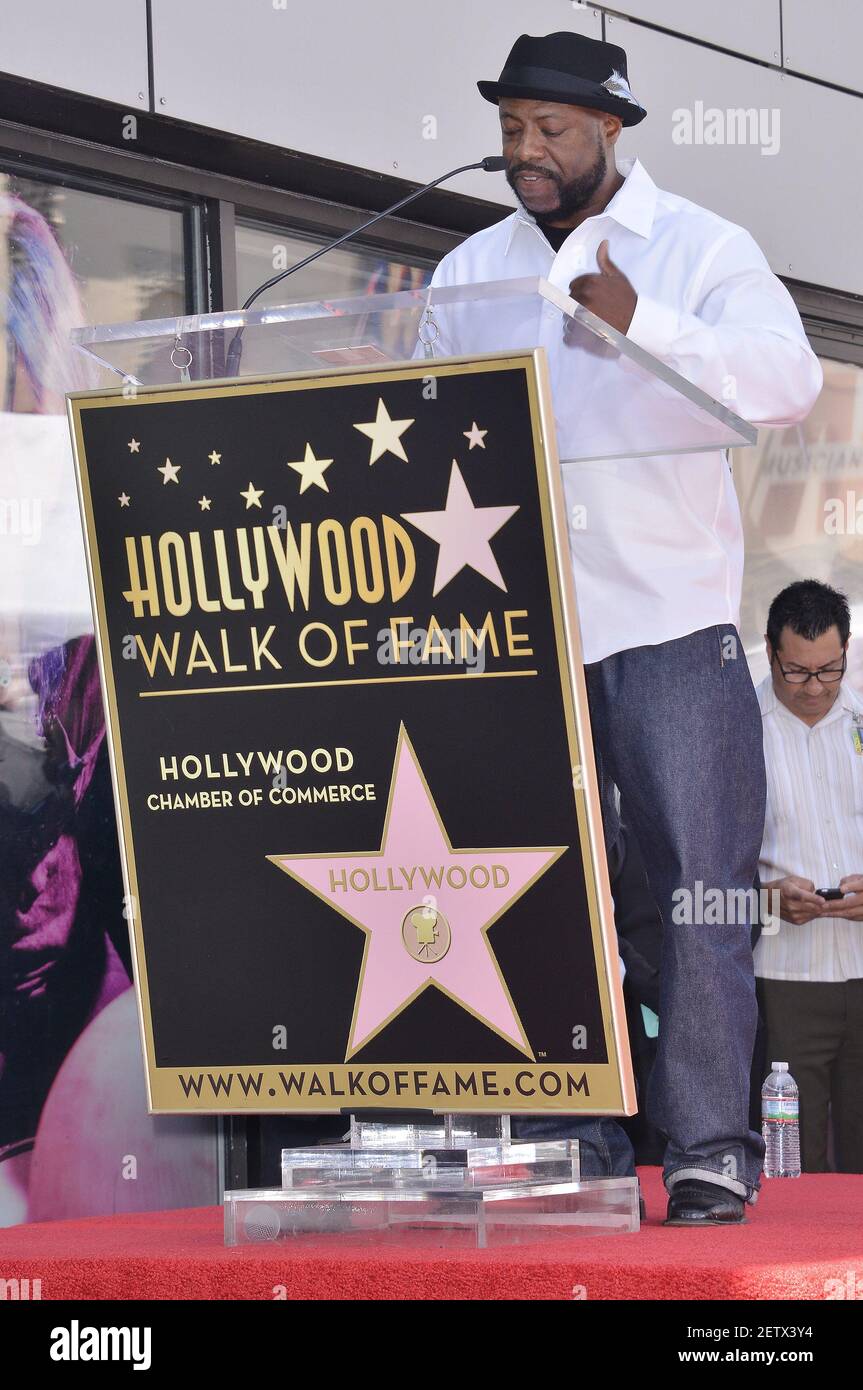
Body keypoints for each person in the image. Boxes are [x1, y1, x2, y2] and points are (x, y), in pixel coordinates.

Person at [425, 31, 823, 1224]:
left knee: (696, 896)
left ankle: (704, 1146)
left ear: (611, 130)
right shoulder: (470, 270)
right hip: (519, 636)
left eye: (548, 130)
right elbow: (435, 421)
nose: (524, 151)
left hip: (667, 624)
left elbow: (786, 382)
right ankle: (574, 1140)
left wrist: (644, 322)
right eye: (509, 129)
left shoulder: (700, 248)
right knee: (544, 899)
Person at [756, 580, 863, 1173]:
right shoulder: (739, 730)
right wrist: (763, 901)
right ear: (770, 650)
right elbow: (693, 882)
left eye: (830, 670)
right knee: (792, 1170)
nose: (816, 688)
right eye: (797, 672)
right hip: (783, 980)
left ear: (847, 649)